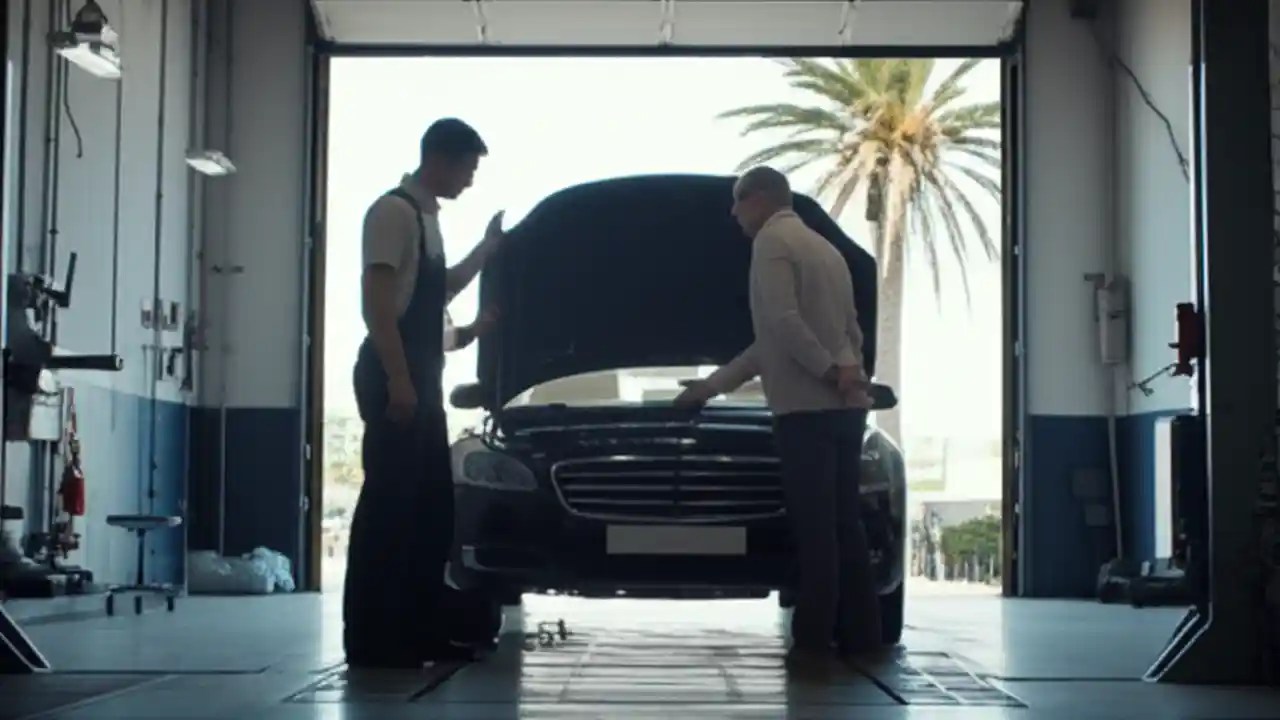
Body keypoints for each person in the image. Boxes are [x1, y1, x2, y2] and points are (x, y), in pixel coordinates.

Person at [674, 166, 883, 667]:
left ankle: (812, 642)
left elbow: (785, 325)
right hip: (843, 412)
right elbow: (844, 330)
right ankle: (863, 635)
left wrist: (830, 372)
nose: (734, 213)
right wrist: (710, 387)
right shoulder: (826, 249)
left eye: (738, 202)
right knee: (844, 526)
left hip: (805, 410)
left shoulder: (771, 244)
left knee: (814, 530)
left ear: (761, 199)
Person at [345, 118, 504, 668]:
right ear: (440, 159)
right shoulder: (392, 213)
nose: (469, 181)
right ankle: (374, 639)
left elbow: (435, 296)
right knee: (391, 510)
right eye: (468, 168)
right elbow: (379, 305)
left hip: (420, 377)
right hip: (398, 378)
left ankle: (417, 630)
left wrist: (485, 258)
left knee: (428, 512)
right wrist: (399, 381)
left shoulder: (429, 221)